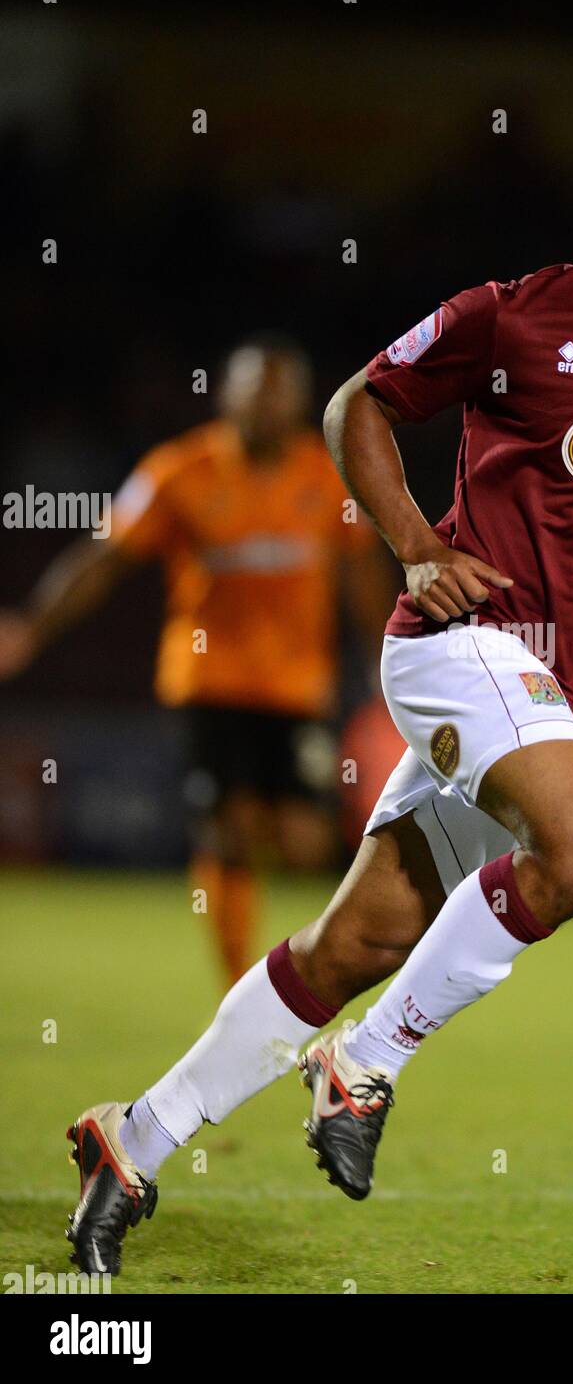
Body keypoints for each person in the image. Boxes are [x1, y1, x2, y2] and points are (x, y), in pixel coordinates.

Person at [61, 98, 573, 1276]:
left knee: (354, 940)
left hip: (561, 689)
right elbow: (359, 404)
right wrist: (413, 543)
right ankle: (368, 1062)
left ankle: (131, 1137)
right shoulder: (513, 315)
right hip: (463, 642)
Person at [0, 337, 393, 987]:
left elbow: (363, 575)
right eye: (255, 391)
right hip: (209, 681)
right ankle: (240, 981)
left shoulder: (327, 475)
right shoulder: (179, 471)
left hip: (299, 688)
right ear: (226, 396)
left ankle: (293, 956)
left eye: (281, 393)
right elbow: (105, 558)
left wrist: (388, 661)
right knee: (232, 829)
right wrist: (32, 628)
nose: (268, 406)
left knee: (305, 842)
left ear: (300, 403)